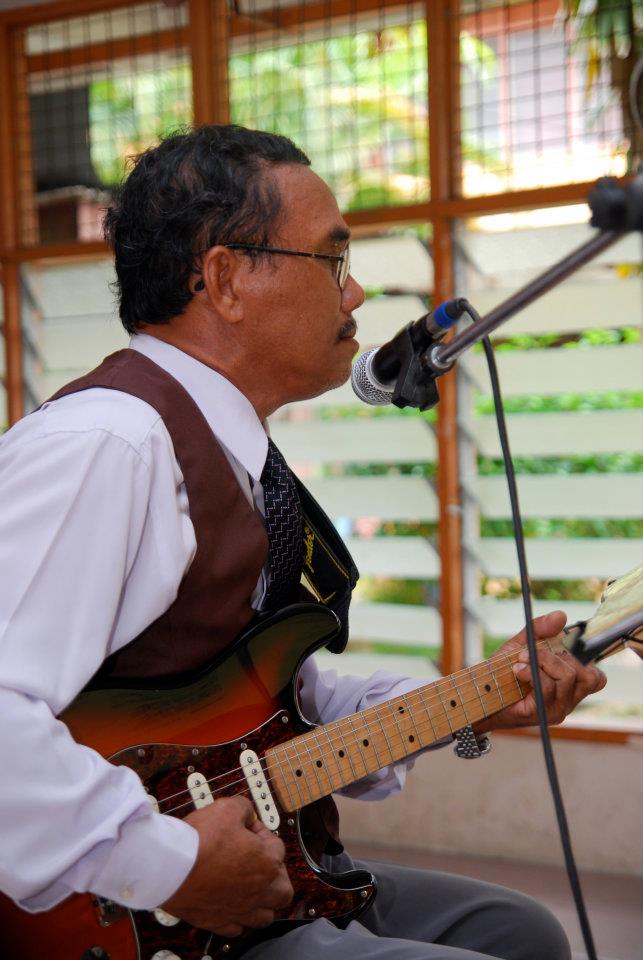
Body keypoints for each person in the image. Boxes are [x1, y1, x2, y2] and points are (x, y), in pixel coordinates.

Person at [0, 124, 606, 960]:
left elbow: (283, 702)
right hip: (129, 913)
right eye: (333, 259)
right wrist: (169, 865)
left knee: (515, 931)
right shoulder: (109, 445)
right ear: (224, 279)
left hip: (269, 867)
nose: (355, 294)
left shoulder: (233, 452)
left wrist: (478, 699)